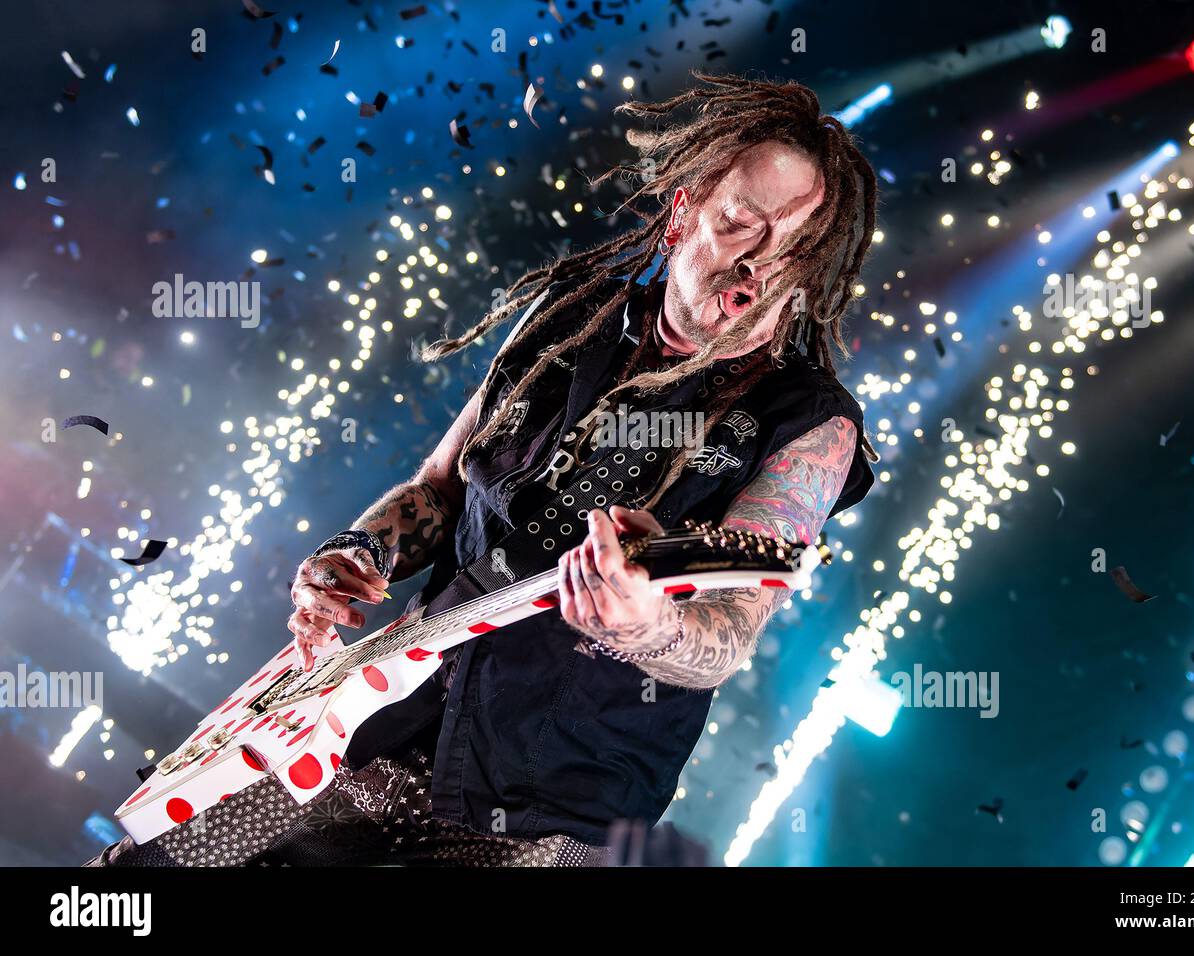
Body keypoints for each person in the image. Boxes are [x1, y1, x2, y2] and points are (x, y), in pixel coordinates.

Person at [90, 72, 880, 867]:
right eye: (740, 224)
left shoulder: (811, 426)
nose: (760, 263)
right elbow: (437, 488)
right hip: (371, 725)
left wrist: (649, 622)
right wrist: (359, 553)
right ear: (681, 216)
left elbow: (730, 631)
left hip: (547, 813)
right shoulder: (573, 318)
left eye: (796, 250)